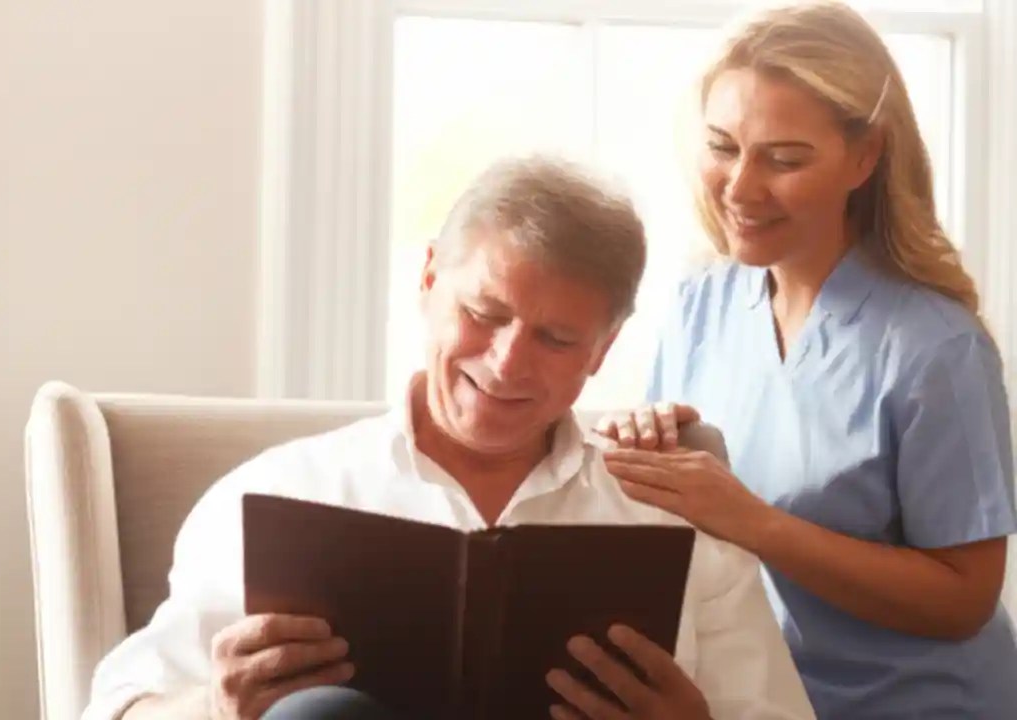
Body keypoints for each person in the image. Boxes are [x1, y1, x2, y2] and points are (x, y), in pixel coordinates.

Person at [82, 158, 815, 720]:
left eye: (557, 339)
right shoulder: (274, 495)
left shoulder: (675, 521)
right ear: (430, 278)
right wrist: (216, 705)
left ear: (603, 348)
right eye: (486, 314)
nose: (506, 363)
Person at [595, 2, 1017, 718]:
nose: (740, 186)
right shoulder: (704, 299)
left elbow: (964, 599)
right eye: (723, 146)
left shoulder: (935, 349)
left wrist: (752, 519)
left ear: (865, 156)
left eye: (784, 159)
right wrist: (650, 439)